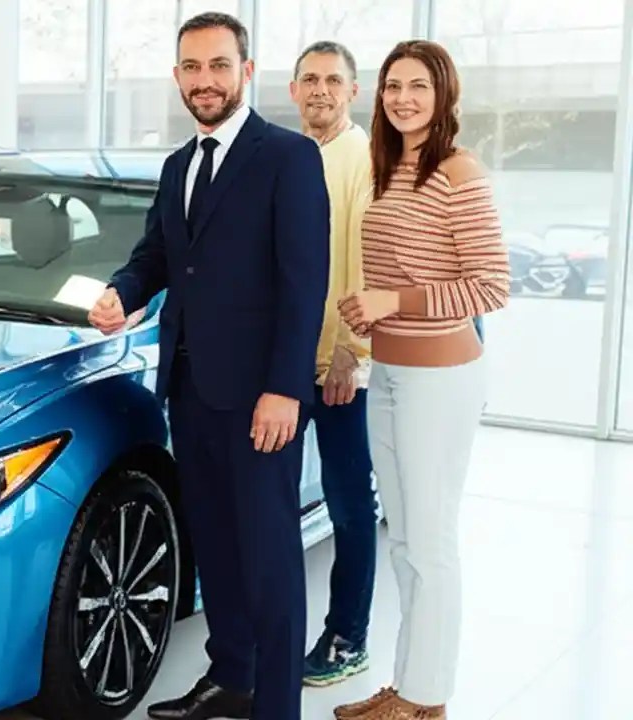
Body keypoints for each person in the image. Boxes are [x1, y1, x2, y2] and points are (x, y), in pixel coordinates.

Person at [89, 11, 329, 720]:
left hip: (262, 399)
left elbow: (303, 281)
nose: (205, 81)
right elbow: (160, 256)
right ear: (177, 77)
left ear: (246, 72)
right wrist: (122, 293)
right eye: (191, 68)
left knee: (270, 561)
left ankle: (277, 706)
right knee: (216, 550)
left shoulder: (287, 156)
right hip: (189, 392)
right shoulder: (177, 165)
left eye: (219, 66)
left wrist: (285, 389)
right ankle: (232, 679)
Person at [334, 39, 509, 720]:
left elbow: (491, 286)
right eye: (392, 85)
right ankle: (409, 686)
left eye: (419, 86)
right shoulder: (392, 166)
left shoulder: (458, 172)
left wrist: (392, 303)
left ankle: (425, 699)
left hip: (440, 379)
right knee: (403, 537)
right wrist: (363, 323)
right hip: (393, 372)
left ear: (444, 96)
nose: (403, 97)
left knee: (429, 542)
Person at [287, 40, 378, 688]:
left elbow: (364, 260)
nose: (320, 89)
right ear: (294, 90)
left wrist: (350, 352)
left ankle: (348, 637)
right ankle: (276, 627)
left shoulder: (361, 158)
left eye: (332, 80)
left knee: (349, 507)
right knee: (272, 506)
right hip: (284, 365)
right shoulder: (287, 157)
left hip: (340, 364)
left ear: (352, 92)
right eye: (309, 79)